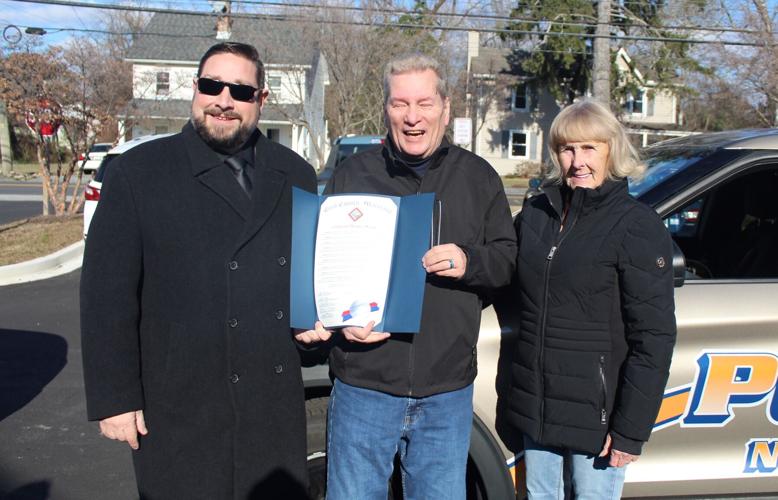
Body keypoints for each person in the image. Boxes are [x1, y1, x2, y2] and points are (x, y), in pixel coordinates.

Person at [80, 42, 317, 499]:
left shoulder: (296, 174)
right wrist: (116, 398)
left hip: (270, 404)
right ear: (195, 89)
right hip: (178, 405)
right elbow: (106, 294)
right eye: (212, 86)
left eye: (240, 91)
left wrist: (320, 318)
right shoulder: (138, 173)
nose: (224, 100)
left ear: (261, 100)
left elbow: (308, 273)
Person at [310, 53, 516, 499]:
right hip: (365, 382)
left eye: (424, 103)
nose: (412, 116)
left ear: (445, 107)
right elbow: (320, 266)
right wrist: (335, 319)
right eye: (400, 103)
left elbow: (507, 261)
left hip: (446, 389)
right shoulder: (352, 175)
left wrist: (470, 261)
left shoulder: (478, 178)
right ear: (386, 108)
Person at [500, 99, 677, 499]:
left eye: (589, 148)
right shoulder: (537, 215)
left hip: (596, 419)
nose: (577, 161)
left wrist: (630, 430)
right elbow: (500, 267)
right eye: (567, 149)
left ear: (611, 150)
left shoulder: (635, 225)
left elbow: (654, 337)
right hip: (537, 409)